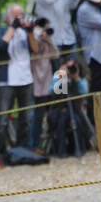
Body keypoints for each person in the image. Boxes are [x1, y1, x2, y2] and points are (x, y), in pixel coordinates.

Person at [0, 4, 38, 163]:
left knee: (26, 118)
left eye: (21, 15)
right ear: (8, 17)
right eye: (16, 16)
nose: (19, 18)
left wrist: (31, 31)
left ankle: (22, 150)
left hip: (25, 78)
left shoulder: (26, 33)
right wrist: (13, 27)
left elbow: (36, 49)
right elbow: (0, 47)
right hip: (7, 80)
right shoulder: (1, 31)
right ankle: (0, 153)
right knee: (3, 119)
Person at [31, 0, 80, 64]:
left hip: (68, 37)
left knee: (73, 71)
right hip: (52, 40)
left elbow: (73, 5)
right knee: (58, 75)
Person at [30, 18, 59, 150]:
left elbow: (56, 55)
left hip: (47, 80)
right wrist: (38, 37)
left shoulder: (47, 40)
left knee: (45, 114)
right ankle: (33, 144)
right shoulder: (32, 36)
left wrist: (48, 40)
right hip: (34, 80)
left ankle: (44, 145)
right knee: (35, 115)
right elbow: (34, 50)